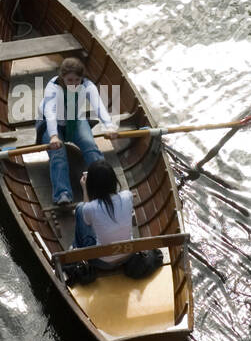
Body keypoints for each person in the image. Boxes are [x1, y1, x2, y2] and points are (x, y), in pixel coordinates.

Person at [34, 56, 117, 205]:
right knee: (58, 154)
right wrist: (53, 136)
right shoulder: (53, 88)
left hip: (75, 119)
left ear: (82, 78)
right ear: (62, 78)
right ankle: (62, 194)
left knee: (91, 148)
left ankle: (106, 187)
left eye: (77, 80)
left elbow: (98, 106)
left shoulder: (88, 85)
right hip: (50, 123)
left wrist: (109, 126)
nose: (73, 84)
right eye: (70, 81)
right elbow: (50, 112)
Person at [65, 161, 163, 285]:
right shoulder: (127, 196)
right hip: (128, 256)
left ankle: (76, 249)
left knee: (79, 209)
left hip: (102, 263)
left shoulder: (91, 208)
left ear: (92, 185)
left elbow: (86, 216)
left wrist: (84, 189)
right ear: (114, 181)